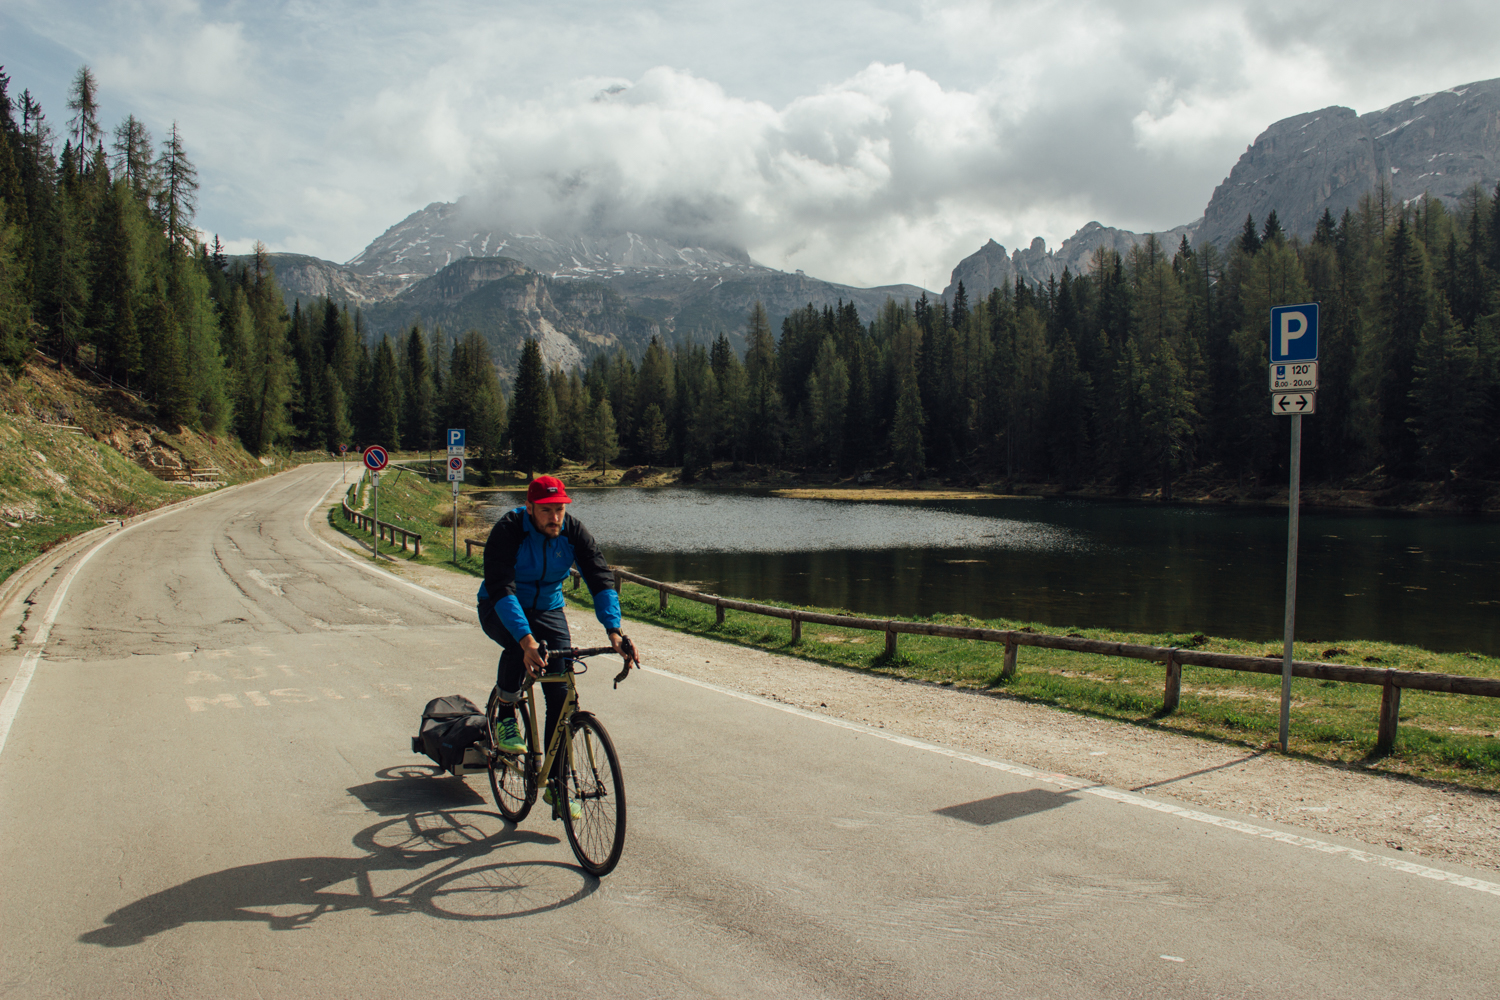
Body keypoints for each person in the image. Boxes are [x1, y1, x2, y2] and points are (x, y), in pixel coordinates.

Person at [476, 475, 636, 779]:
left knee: (560, 693)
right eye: (547, 510)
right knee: (516, 644)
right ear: (529, 508)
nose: (555, 517)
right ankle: (506, 715)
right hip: (500, 604)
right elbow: (501, 587)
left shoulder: (573, 531)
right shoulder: (509, 530)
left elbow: (600, 578)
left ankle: (555, 780)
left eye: (560, 509)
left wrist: (613, 631)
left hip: (548, 607)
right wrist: (526, 640)